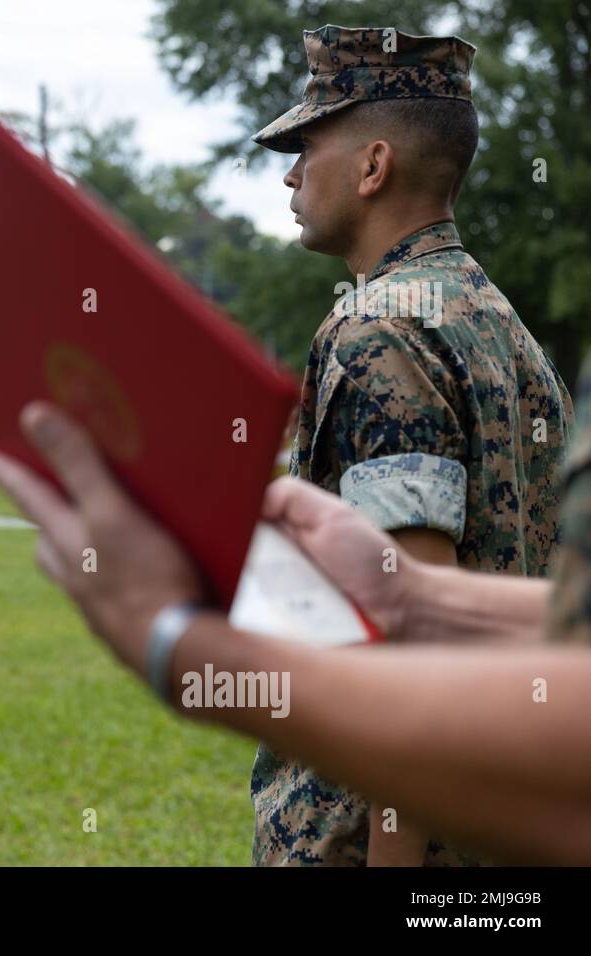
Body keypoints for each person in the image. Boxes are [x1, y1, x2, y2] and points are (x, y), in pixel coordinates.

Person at [0, 359, 591, 863]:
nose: (293, 201)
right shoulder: (504, 323)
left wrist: (178, 640)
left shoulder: (380, 332)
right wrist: (412, 601)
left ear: (368, 197)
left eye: (299, 194)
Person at [248, 24, 572, 865]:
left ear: (371, 166)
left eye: (305, 145)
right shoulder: (499, 320)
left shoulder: (380, 328)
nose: (288, 173)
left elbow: (412, 634)